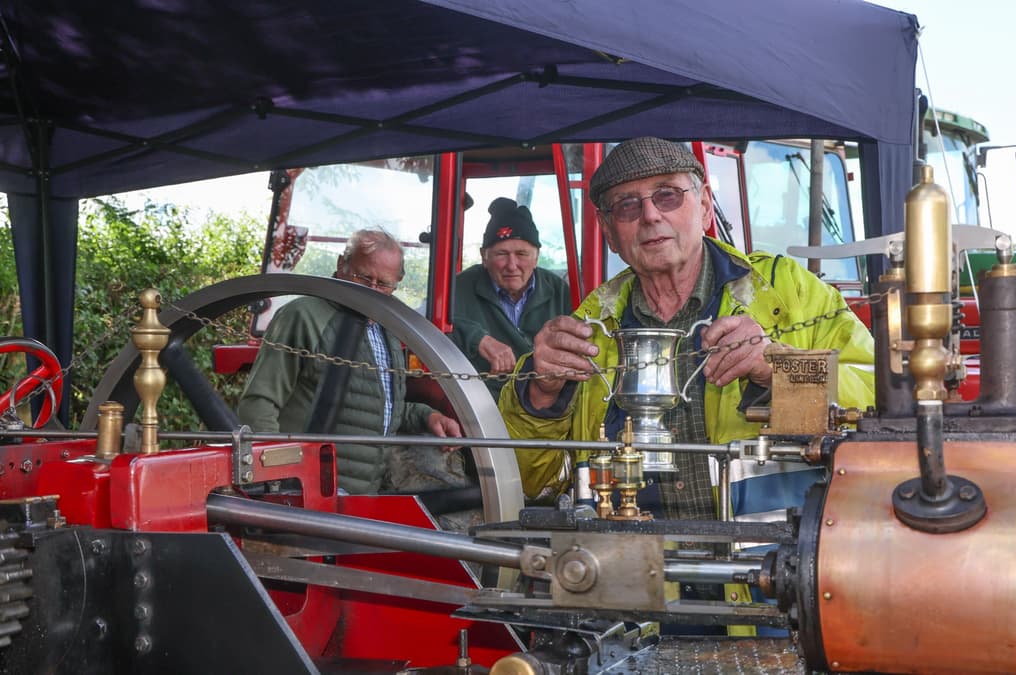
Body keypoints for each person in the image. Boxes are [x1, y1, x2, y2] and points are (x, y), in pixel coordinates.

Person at [498, 136, 875, 519]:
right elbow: (533, 483)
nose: (650, 216)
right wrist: (540, 396)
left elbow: (880, 403)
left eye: (668, 196)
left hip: (770, 553)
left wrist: (777, 369)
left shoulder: (789, 292)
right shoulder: (588, 330)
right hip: (627, 556)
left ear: (706, 206)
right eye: (627, 205)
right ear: (608, 232)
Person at [239, 229, 462, 495]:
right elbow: (259, 403)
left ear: (397, 283)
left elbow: (374, 408)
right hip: (309, 491)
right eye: (364, 277)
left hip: (360, 495)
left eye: (383, 284)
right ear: (341, 265)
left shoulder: (388, 329)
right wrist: (280, 478)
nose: (372, 290)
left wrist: (428, 416)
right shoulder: (303, 316)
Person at [451, 197, 572, 401]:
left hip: (546, 403)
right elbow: (425, 325)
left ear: (536, 257)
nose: (512, 265)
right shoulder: (459, 287)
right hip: (480, 404)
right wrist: (478, 339)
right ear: (484, 256)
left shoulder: (559, 290)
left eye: (522, 254)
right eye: (502, 254)